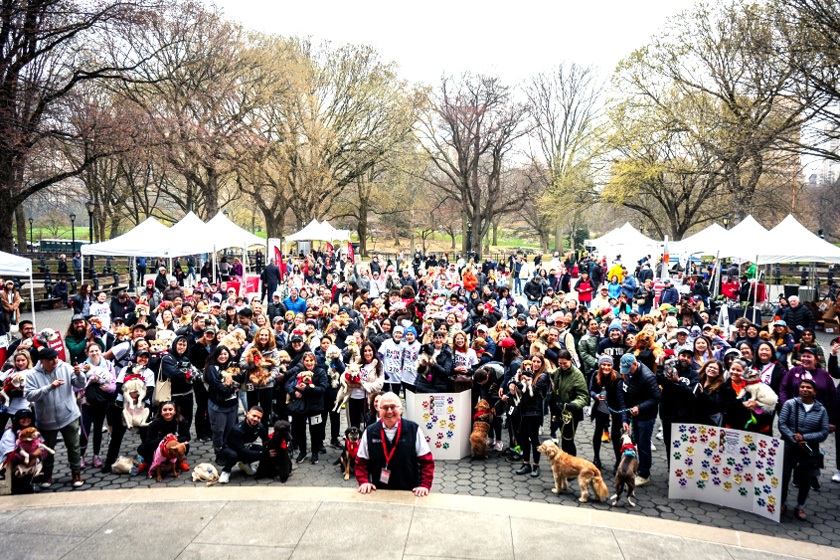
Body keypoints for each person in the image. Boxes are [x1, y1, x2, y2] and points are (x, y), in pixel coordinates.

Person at [23, 347, 86, 488]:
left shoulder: (65, 367)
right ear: (42, 361)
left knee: (74, 446)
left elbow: (80, 385)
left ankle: (76, 473)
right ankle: (48, 474)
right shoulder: (32, 374)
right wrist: (49, 387)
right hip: (46, 419)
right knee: (47, 449)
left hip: (69, 415)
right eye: (51, 360)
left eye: (56, 358)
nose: (55, 361)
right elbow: (29, 395)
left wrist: (80, 375)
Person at [355, 392, 434, 497]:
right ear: (379, 410)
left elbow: (427, 461)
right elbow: (361, 462)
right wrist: (364, 482)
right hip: (378, 492)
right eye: (385, 407)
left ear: (401, 409)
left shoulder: (413, 429)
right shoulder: (369, 432)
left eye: (393, 407)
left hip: (410, 492)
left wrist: (424, 485)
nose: (389, 411)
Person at [778, 378, 829, 521]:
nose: (805, 389)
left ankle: (800, 506)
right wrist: (794, 439)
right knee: (784, 475)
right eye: (802, 387)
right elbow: (782, 424)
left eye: (808, 387)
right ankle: (782, 503)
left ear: (815, 392)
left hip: (808, 449)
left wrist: (806, 437)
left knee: (805, 479)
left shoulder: (821, 410)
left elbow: (824, 432)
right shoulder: (790, 404)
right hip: (788, 446)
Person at [617, 353, 661, 487]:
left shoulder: (648, 377)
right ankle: (637, 467)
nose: (627, 373)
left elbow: (656, 398)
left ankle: (644, 474)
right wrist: (627, 416)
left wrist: (639, 408)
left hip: (646, 416)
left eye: (629, 369)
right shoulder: (630, 374)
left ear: (635, 364)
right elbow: (626, 393)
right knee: (636, 441)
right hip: (634, 413)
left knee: (643, 445)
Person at [509, 352, 550, 477]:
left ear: (542, 363)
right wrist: (511, 382)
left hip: (535, 411)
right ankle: (526, 463)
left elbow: (533, 390)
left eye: (538, 362)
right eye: (534, 361)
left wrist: (516, 382)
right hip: (523, 410)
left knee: (534, 438)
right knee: (523, 436)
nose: (535, 364)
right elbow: (513, 378)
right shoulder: (525, 372)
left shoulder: (543, 376)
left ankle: (536, 465)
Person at [284, 351, 328, 464]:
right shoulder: (299, 371)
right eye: (307, 360)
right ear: (303, 361)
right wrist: (294, 393)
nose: (309, 363)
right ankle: (302, 452)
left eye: (311, 360)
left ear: (315, 361)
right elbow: (287, 384)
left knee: (315, 431)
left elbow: (323, 389)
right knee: (300, 430)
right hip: (300, 407)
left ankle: (315, 453)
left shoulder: (320, 371)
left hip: (315, 407)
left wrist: (306, 389)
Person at [77, 341, 116, 469]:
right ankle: (81, 456)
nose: (94, 353)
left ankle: (96, 455)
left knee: (98, 430)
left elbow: (114, 384)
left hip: (101, 402)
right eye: (91, 351)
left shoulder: (109, 365)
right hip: (86, 403)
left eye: (96, 351)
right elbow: (74, 386)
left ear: (101, 351)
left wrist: (108, 388)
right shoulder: (83, 366)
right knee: (85, 431)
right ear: (87, 353)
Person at [548, 349, 589, 457]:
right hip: (561, 410)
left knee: (568, 439)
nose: (562, 365)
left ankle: (572, 463)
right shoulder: (558, 372)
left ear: (571, 360)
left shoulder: (577, 375)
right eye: (560, 363)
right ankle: (567, 463)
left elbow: (583, 396)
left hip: (572, 412)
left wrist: (573, 404)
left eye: (565, 363)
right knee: (564, 437)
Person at [205, 345, 244, 455]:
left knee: (230, 429)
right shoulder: (212, 368)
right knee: (219, 430)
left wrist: (233, 385)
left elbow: (241, 378)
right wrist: (232, 389)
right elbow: (218, 387)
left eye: (225, 354)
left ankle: (227, 450)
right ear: (216, 355)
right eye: (220, 354)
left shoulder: (233, 366)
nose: (223, 356)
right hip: (218, 406)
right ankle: (218, 450)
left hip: (232, 405)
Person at [137, 400, 192, 477]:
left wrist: (174, 438)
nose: (167, 412)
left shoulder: (181, 420)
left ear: (175, 411)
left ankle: (178, 462)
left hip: (174, 446)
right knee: (142, 448)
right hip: (159, 447)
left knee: (186, 446)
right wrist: (164, 440)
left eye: (170, 409)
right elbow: (148, 441)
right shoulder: (154, 423)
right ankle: (149, 462)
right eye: (165, 410)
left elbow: (187, 437)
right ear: (161, 411)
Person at [218, 406, 271, 484]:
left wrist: (269, 449)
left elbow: (266, 440)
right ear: (247, 414)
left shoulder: (260, 427)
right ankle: (226, 471)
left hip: (245, 447)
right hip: (230, 450)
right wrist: (262, 454)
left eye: (259, 417)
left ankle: (245, 464)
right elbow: (241, 450)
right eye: (254, 416)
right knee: (234, 455)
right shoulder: (237, 430)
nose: (256, 419)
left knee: (263, 450)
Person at [589, 355, 623, 472]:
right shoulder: (595, 375)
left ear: (612, 366)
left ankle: (618, 461)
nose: (606, 367)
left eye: (609, 365)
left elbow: (620, 396)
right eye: (604, 364)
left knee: (615, 435)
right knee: (598, 432)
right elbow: (591, 390)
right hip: (601, 407)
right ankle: (596, 457)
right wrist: (596, 396)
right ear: (600, 365)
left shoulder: (617, 377)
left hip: (615, 408)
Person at [0, 409, 38, 494]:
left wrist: (37, 456)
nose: (26, 420)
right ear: (17, 420)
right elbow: (10, 455)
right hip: (10, 466)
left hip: (28, 463)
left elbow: (42, 446)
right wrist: (31, 457)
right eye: (22, 418)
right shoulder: (9, 434)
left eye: (28, 417)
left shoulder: (33, 431)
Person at [0, 350, 34, 433]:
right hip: (5, 408)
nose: (20, 363)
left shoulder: (31, 373)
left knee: (20, 432)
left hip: (20, 408)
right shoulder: (10, 371)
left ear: (28, 360)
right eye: (18, 361)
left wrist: (10, 392)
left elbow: (30, 390)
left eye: (23, 360)